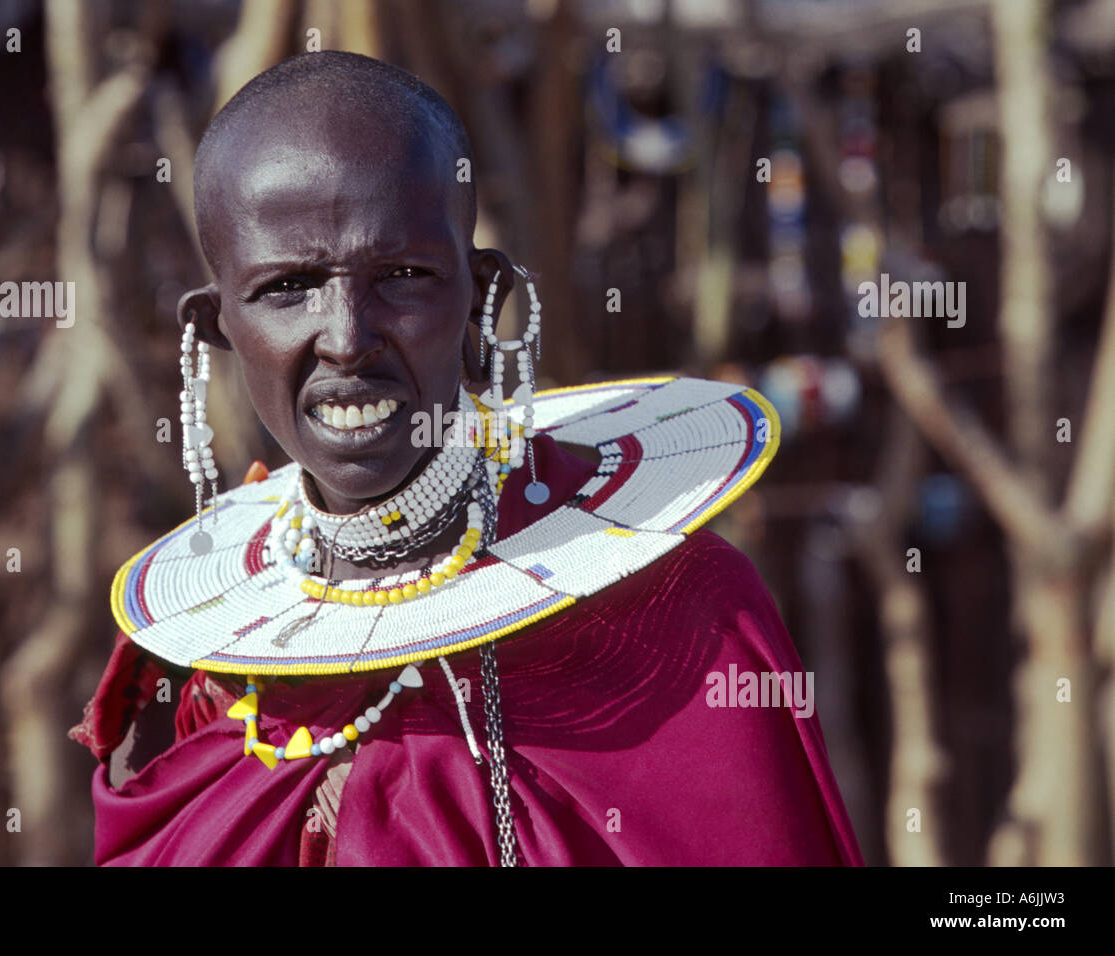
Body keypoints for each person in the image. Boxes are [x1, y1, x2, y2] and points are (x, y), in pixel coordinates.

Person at [70, 50, 864, 867]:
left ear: (482, 298)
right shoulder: (211, 675)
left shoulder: (679, 616)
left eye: (404, 276)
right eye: (288, 288)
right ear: (216, 326)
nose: (346, 339)